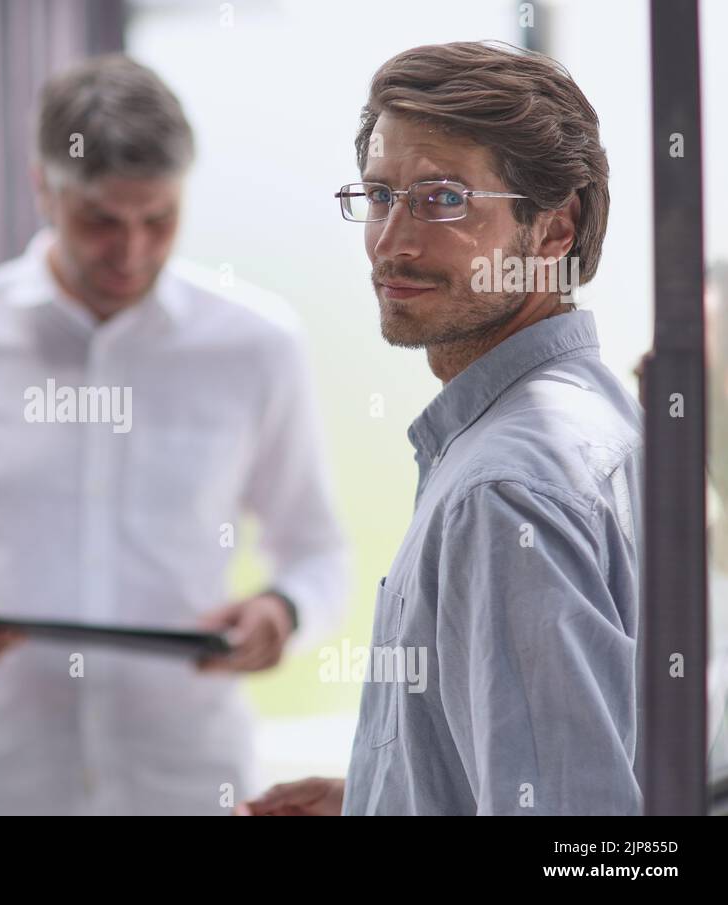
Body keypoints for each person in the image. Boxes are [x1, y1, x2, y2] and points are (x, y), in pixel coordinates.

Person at [0, 54, 348, 815]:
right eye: (102, 220)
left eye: (159, 219)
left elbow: (319, 553)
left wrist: (285, 613)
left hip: (189, 781)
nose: (131, 251)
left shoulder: (258, 345)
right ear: (44, 188)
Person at [243, 41, 642, 815]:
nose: (392, 243)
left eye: (444, 199)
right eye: (381, 195)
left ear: (555, 229)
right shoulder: (600, 423)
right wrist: (388, 796)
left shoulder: (503, 492)